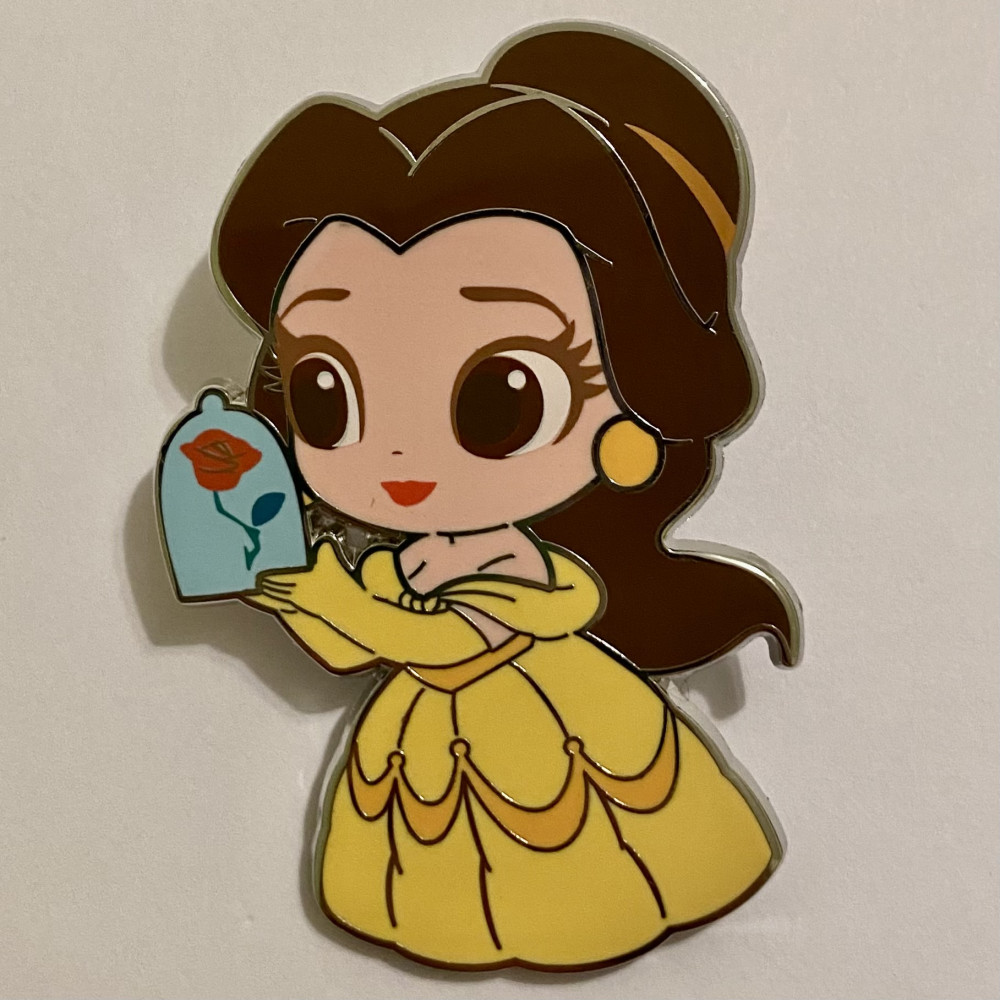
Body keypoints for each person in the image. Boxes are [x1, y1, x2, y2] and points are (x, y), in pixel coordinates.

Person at [211, 23, 802, 970]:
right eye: (327, 390)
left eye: (500, 397)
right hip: (431, 750)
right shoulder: (405, 559)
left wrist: (335, 600)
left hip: (552, 740)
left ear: (637, 406)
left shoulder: (521, 564)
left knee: (579, 867)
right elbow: (354, 646)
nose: (395, 457)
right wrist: (282, 593)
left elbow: (448, 641)